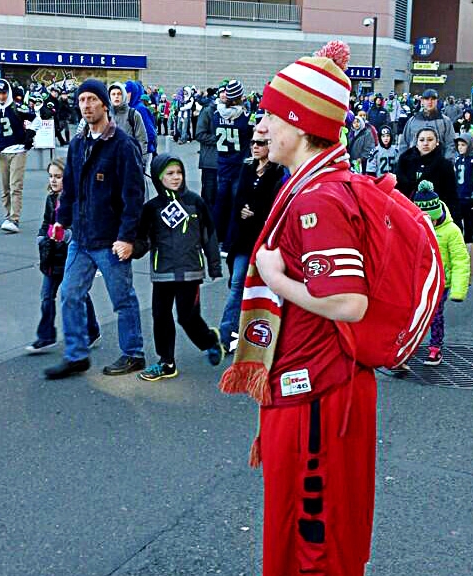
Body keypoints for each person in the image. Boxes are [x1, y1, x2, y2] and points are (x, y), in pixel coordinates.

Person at [219, 41, 378, 576]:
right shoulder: (315, 185)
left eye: (271, 115)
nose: (262, 126)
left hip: (316, 393)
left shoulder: (316, 199)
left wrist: (275, 277)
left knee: (312, 533)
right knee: (311, 528)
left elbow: (349, 302)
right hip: (315, 387)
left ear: (301, 123)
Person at [43, 79, 146, 380]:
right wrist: (61, 220)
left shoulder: (122, 145)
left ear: (105, 104)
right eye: (82, 100)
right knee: (69, 293)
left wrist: (127, 237)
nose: (86, 105)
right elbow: (70, 188)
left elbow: (134, 196)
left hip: (111, 240)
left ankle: (133, 353)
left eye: (92, 99)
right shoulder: (77, 143)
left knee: (122, 298)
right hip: (82, 239)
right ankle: (76, 355)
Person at [132, 154, 224, 380]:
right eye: (169, 173)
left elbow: (209, 235)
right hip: (162, 272)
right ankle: (166, 362)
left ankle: (209, 341)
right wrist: (131, 249)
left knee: (187, 317)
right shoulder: (151, 208)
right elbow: (143, 240)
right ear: (158, 177)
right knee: (161, 317)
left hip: (190, 271)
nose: (175, 178)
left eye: (179, 173)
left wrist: (214, 265)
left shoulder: (195, 202)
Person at [218, 131, 286, 352]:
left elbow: (274, 204)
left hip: (265, 240)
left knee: (267, 288)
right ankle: (226, 335)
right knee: (238, 284)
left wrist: (254, 212)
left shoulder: (278, 172)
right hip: (243, 238)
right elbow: (236, 199)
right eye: (252, 142)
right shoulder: (246, 168)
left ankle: (263, 336)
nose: (255, 146)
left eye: (260, 143)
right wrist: (242, 210)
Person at [26, 158, 101, 354]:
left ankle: (92, 330)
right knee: (46, 296)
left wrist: (66, 235)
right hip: (51, 257)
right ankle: (45, 336)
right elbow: (45, 222)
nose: (53, 180)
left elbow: (80, 227)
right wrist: (41, 236)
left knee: (79, 295)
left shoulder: (75, 201)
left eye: (58, 177)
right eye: (50, 176)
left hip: (70, 257)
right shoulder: (50, 199)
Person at [412, 181, 469, 366]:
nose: (431, 223)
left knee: (435, 315)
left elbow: (460, 259)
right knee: (412, 315)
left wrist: (458, 291)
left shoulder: (451, 231)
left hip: (440, 283)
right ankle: (407, 347)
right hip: (417, 281)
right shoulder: (413, 228)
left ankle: (435, 347)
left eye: (433, 219)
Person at [0, 78, 35, 233]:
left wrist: (30, 134)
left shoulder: (18, 107)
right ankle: (7, 216)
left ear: (9, 93)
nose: (1, 97)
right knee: (4, 187)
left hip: (18, 150)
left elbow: (37, 118)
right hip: (2, 153)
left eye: (4, 93)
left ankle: (14, 218)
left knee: (15, 186)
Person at [213, 80, 253, 248]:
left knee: (220, 204)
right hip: (239, 166)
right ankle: (229, 243)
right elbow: (251, 137)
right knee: (236, 205)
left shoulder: (216, 115)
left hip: (222, 164)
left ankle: (214, 239)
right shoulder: (244, 118)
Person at [394, 127, 459, 218]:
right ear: (416, 143)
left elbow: (451, 196)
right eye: (421, 140)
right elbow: (397, 190)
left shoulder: (445, 165)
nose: (425, 143)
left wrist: (454, 220)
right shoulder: (404, 162)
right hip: (407, 215)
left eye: (430, 140)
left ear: (437, 142)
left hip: (435, 217)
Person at [400, 89, 457, 159]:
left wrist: (448, 164)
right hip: (414, 164)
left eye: (433, 99)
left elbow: (451, 144)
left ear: (437, 101)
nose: (430, 102)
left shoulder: (445, 121)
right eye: (427, 99)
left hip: (438, 165)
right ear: (422, 101)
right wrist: (402, 163)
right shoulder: (412, 121)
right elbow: (404, 144)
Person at [453, 133, 473, 278]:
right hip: (458, 198)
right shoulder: (457, 160)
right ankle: (458, 263)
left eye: (463, 145)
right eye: (459, 145)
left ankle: (469, 268)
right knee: (457, 229)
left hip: (470, 199)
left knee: (469, 232)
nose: (460, 147)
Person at [194, 89, 220, 218]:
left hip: (228, 163)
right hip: (210, 162)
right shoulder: (208, 111)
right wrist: (220, 139)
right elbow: (199, 134)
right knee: (209, 197)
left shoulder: (236, 113)